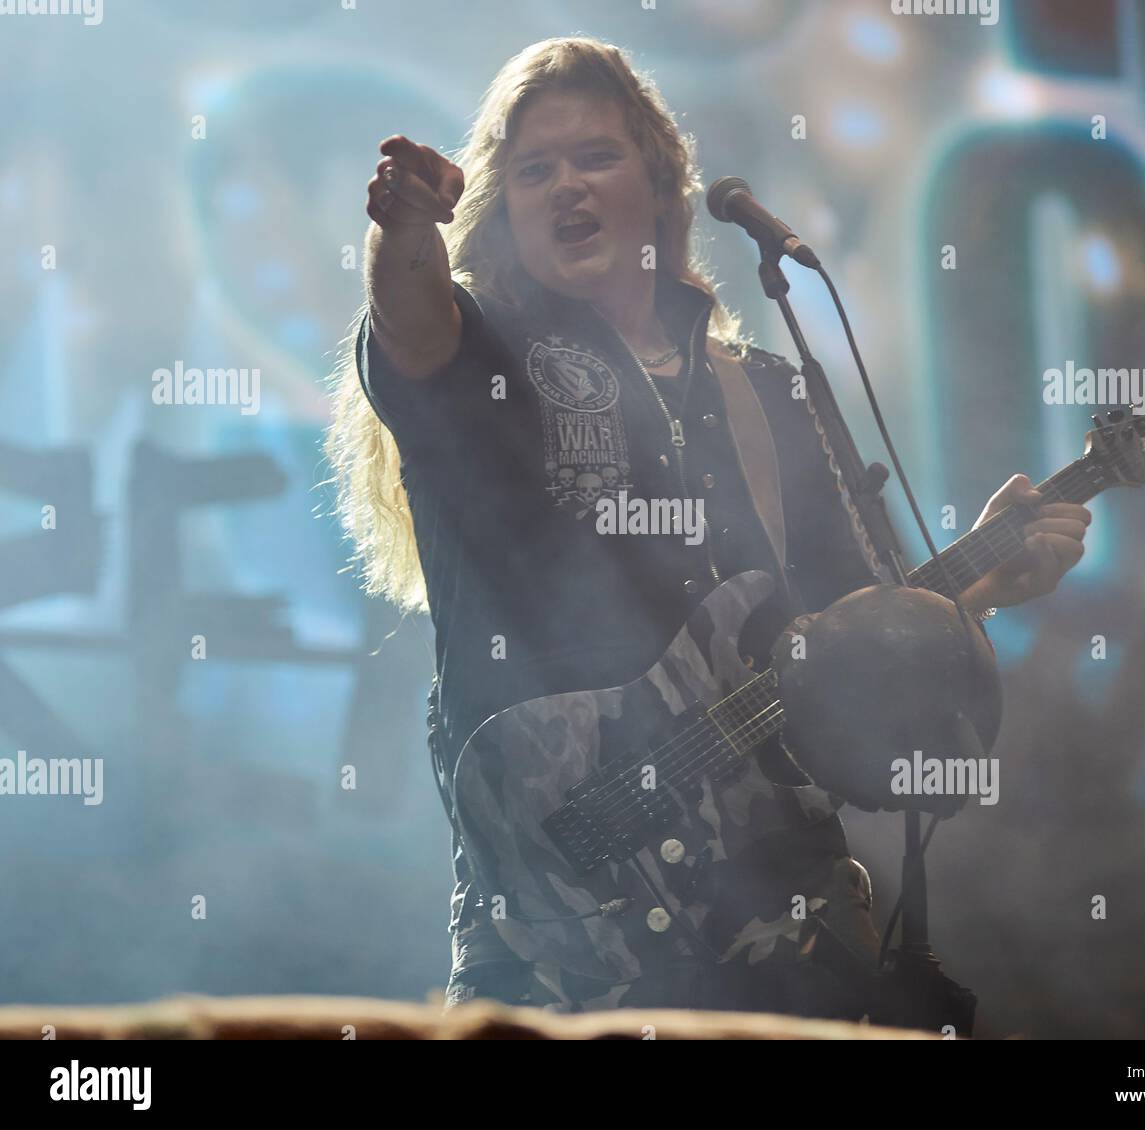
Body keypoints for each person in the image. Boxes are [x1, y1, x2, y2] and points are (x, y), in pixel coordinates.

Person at [323, 36, 1090, 1018]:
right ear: (501, 210)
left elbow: (853, 638)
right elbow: (413, 327)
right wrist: (404, 228)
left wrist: (986, 580)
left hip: (784, 929)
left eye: (596, 156)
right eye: (533, 170)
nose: (567, 185)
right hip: (561, 953)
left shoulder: (769, 394)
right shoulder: (491, 371)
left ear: (661, 184)